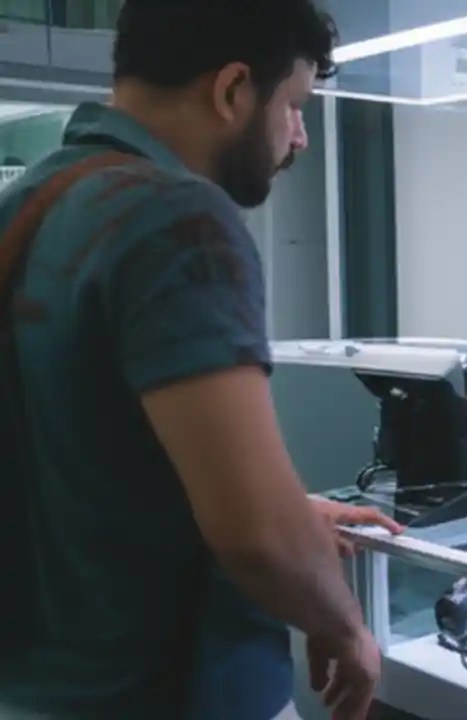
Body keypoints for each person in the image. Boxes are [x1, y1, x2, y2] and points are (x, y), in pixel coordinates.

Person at [0, 2, 402, 719]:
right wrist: (343, 625)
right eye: (294, 106)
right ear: (232, 90)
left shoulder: (27, 205)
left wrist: (286, 507)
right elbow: (255, 535)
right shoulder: (180, 219)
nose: (300, 138)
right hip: (170, 692)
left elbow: (75, 453)